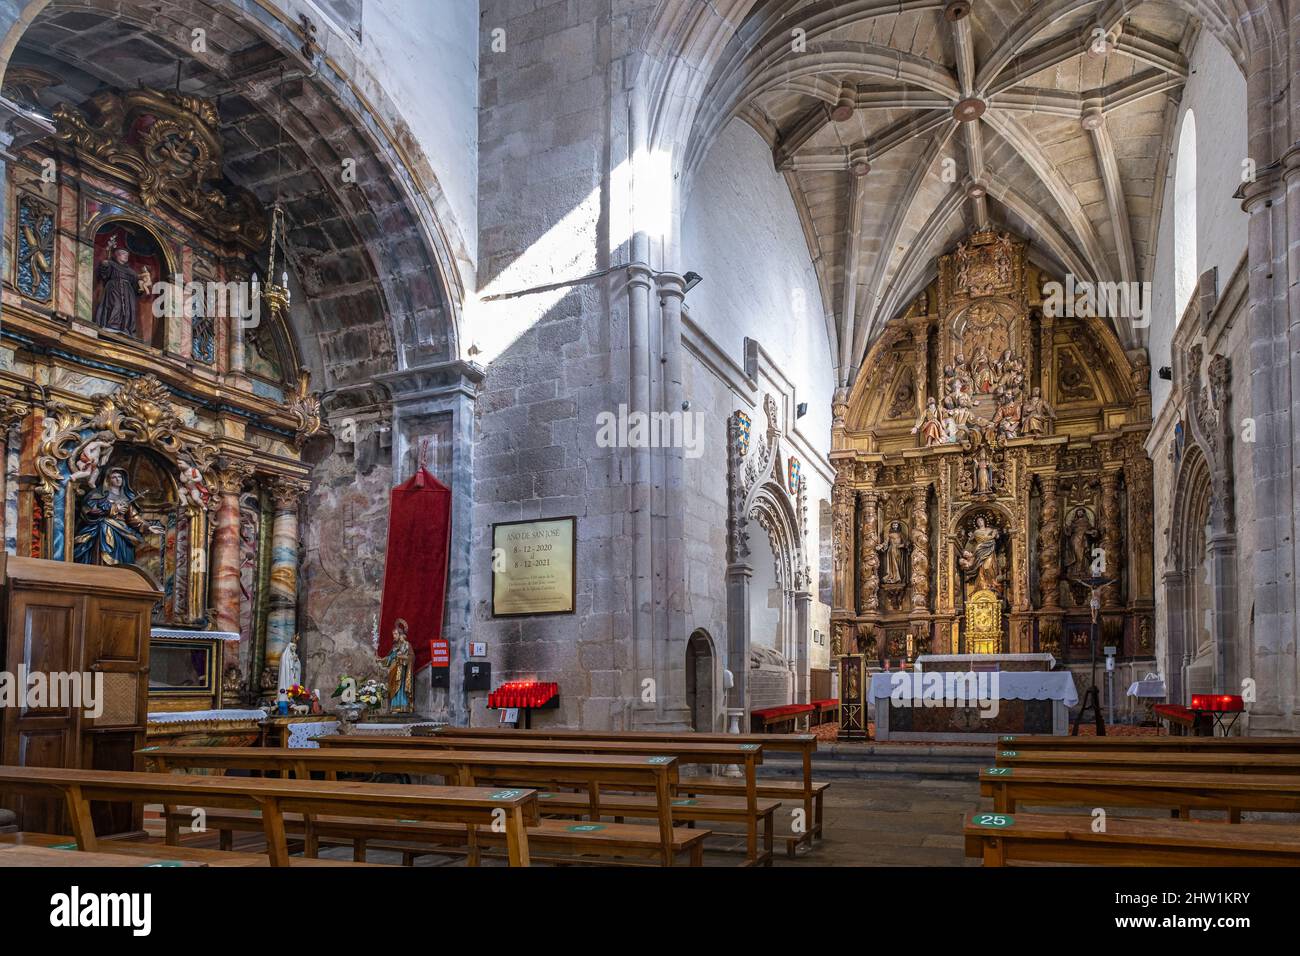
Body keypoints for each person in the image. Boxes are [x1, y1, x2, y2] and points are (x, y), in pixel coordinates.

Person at [73, 467, 163, 566]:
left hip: (123, 533)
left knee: (124, 560)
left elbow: (133, 517)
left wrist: (148, 526)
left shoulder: (126, 497)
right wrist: (114, 508)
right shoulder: (98, 494)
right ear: (108, 480)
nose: (117, 479)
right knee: (105, 554)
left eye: (120, 476)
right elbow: (88, 509)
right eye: (114, 477)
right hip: (105, 528)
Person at [93, 239, 147, 338]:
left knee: (127, 310)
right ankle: (111, 325)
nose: (126, 256)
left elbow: (136, 286)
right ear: (116, 255)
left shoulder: (131, 272)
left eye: (127, 254)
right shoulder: (111, 264)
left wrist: (140, 287)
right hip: (114, 288)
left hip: (128, 293)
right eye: (123, 253)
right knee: (115, 305)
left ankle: (125, 328)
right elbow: (104, 275)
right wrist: (105, 265)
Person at [380, 618, 415, 714]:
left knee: (401, 686)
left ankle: (403, 706)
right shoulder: (394, 647)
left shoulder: (407, 645)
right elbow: (390, 657)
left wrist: (403, 657)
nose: (394, 636)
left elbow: (411, 657)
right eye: (393, 634)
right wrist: (382, 660)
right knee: (393, 687)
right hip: (393, 669)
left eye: (395, 634)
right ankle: (394, 706)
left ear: (400, 635)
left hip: (402, 669)